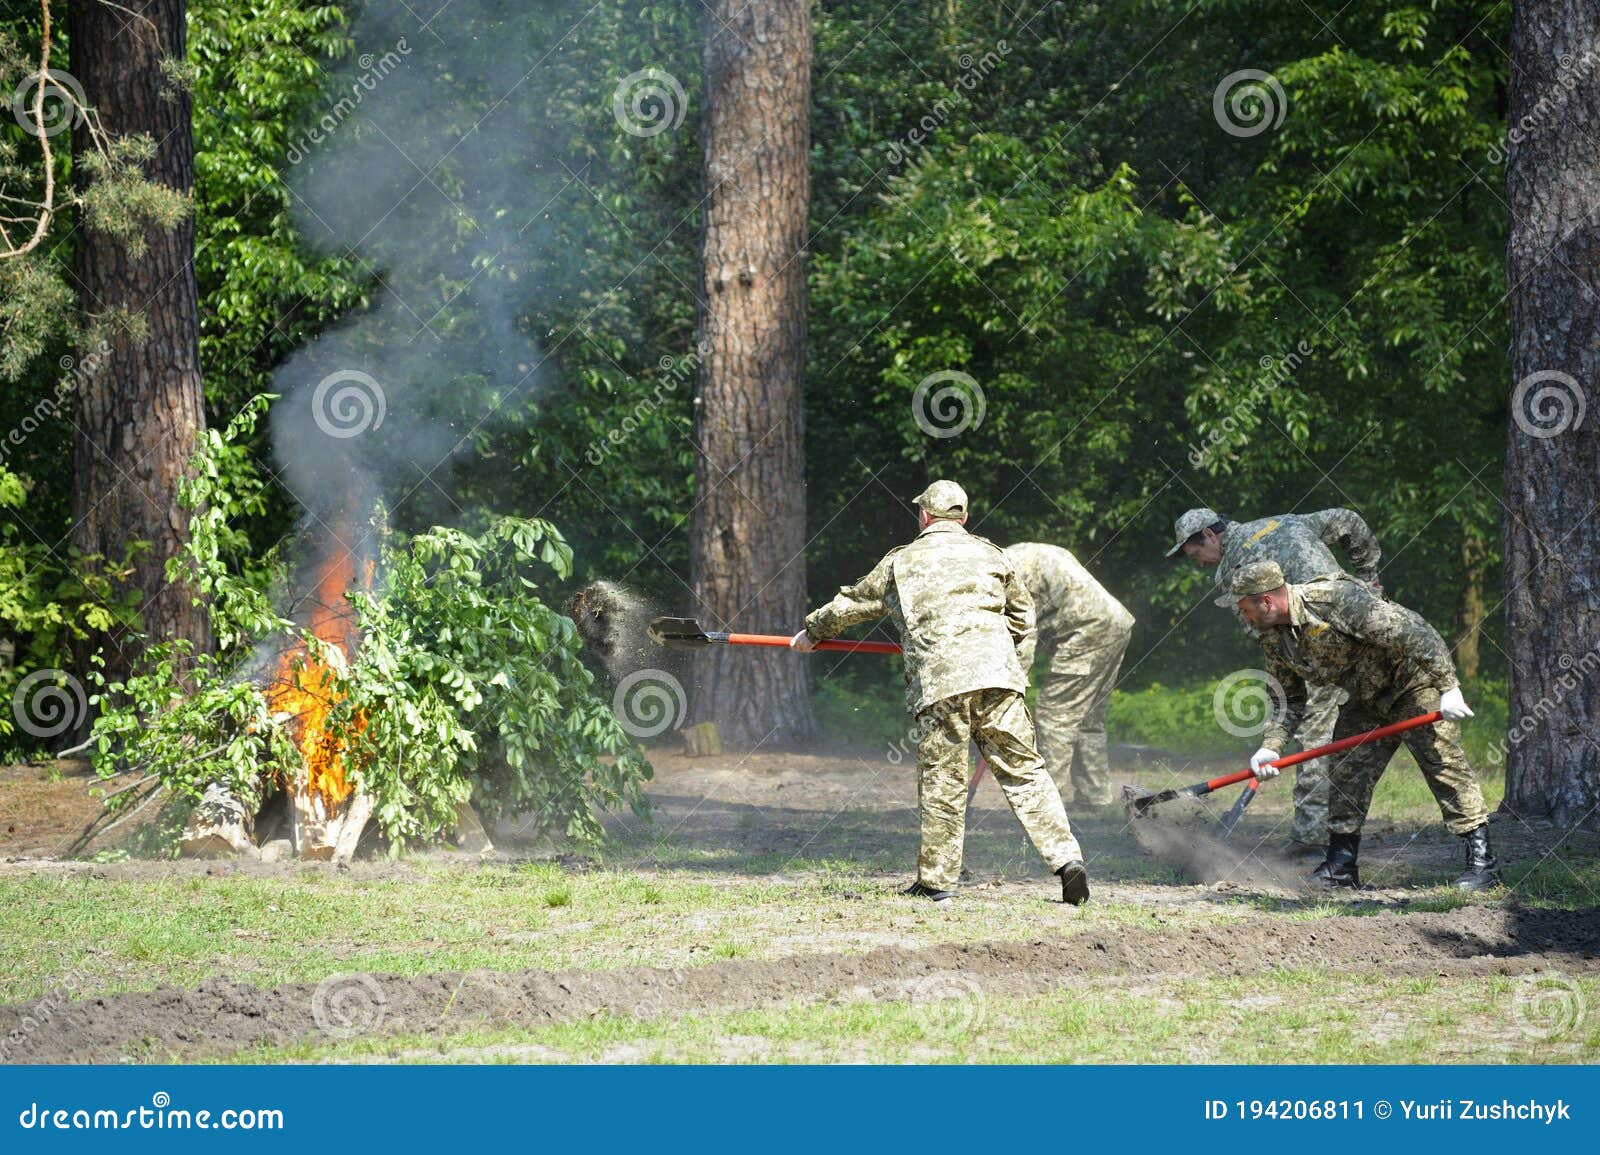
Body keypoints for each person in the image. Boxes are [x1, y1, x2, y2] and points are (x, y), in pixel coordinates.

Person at [792, 480, 1090, 904]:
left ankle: (937, 882)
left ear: (925, 516)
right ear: (964, 517)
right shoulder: (994, 556)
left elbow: (854, 604)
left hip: (941, 686)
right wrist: (1010, 666)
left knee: (943, 780)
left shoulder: (902, 561)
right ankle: (1067, 861)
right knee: (1026, 773)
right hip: (999, 680)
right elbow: (1024, 618)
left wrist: (812, 631)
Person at [1223, 559, 1502, 891]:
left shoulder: (1333, 600)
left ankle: (1484, 865)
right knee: (1346, 772)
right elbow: (1288, 698)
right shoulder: (1274, 638)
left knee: (1443, 766)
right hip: (1366, 698)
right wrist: (1271, 746)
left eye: (1244, 609)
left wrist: (1448, 687)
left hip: (1414, 685)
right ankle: (1341, 866)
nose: (1244, 617)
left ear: (1267, 601)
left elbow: (1414, 631)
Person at [1166, 505, 1383, 854]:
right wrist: (1369, 578)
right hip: (1356, 623)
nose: (1200, 564)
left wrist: (1287, 672)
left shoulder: (1231, 571)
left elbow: (1262, 632)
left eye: (1196, 554)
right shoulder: (1285, 523)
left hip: (1319, 643)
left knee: (1314, 735)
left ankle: (1311, 838)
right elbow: (1348, 520)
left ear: (1209, 535)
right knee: (1339, 728)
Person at [1003, 543, 1134, 807]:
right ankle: (1094, 797)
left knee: (1054, 714)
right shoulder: (1020, 555)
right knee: (1087, 718)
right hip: (1115, 623)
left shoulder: (1006, 574)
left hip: (1087, 631)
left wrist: (1007, 687)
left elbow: (1024, 635)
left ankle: (1048, 804)